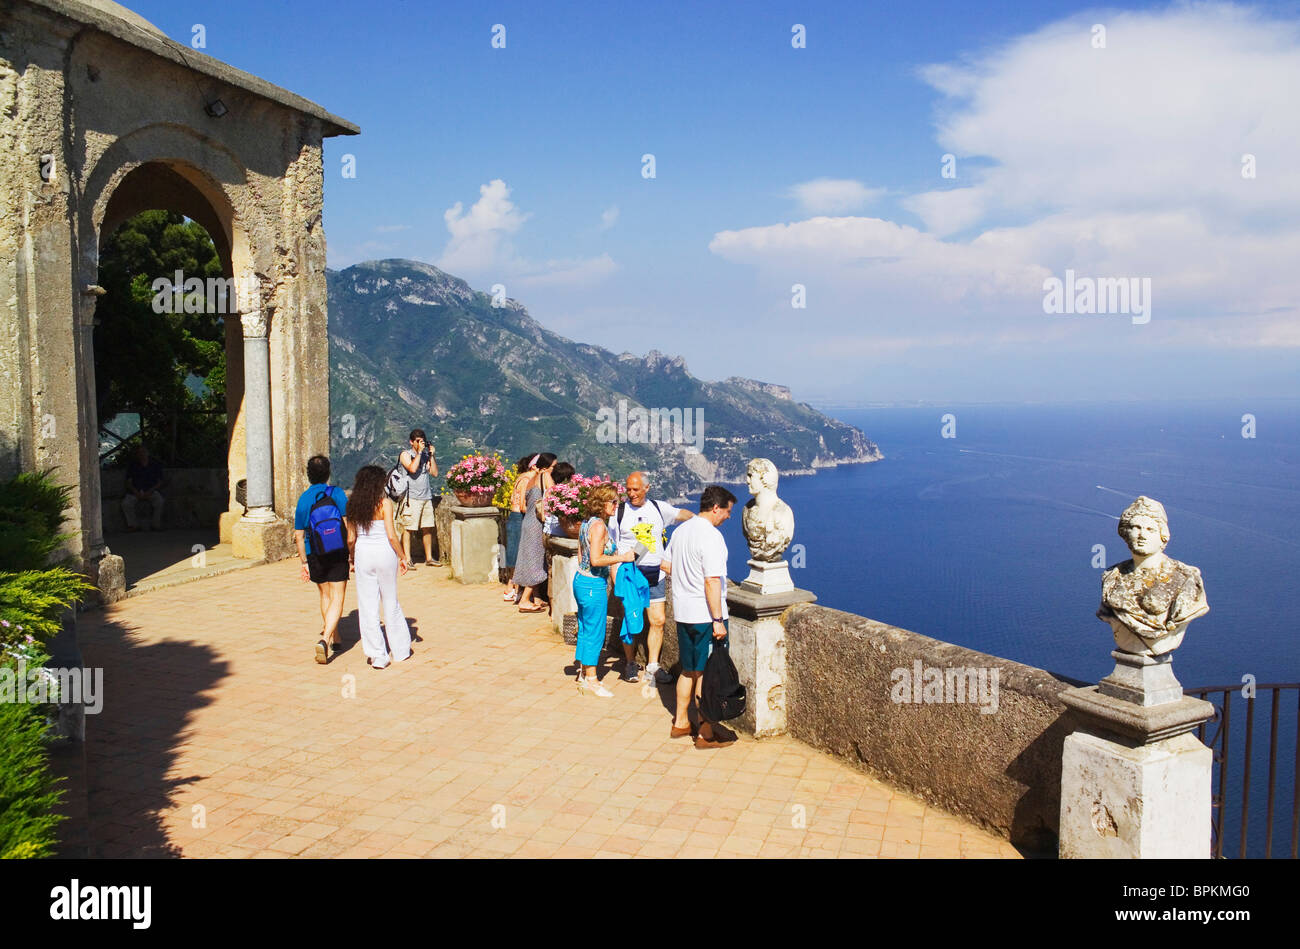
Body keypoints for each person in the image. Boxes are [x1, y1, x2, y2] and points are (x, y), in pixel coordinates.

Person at [662, 485, 738, 749]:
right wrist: (718, 620)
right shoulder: (712, 537)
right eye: (727, 511)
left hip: (683, 613)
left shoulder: (682, 530)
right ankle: (706, 732)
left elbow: (665, 563)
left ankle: (681, 722)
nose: (728, 517)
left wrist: (685, 579)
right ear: (716, 508)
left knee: (688, 669)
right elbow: (711, 581)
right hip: (706, 616)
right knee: (708, 673)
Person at [612, 471, 694, 684]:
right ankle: (630, 663)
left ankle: (653, 667)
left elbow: (680, 514)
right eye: (628, 489)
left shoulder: (659, 508)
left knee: (658, 621)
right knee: (630, 621)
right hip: (630, 575)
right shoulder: (619, 512)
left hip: (655, 574)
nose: (631, 494)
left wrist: (700, 521)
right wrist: (615, 576)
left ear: (647, 488)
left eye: (636, 489)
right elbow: (612, 547)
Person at [345, 465, 413, 670]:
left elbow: (350, 538)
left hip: (364, 554)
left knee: (367, 606)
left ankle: (378, 655)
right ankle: (400, 649)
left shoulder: (352, 506)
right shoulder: (385, 503)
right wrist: (403, 557)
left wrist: (352, 558)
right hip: (385, 553)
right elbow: (392, 535)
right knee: (390, 601)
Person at [573, 482, 636, 697]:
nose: (617, 505)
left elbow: (580, 554)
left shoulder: (586, 523)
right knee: (595, 632)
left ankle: (583, 673)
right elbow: (596, 559)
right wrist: (623, 557)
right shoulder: (599, 526)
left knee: (584, 628)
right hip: (593, 585)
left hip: (581, 581)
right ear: (603, 503)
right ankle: (592, 679)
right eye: (614, 502)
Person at [293, 455, 349, 664]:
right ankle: (326, 639)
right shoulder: (338, 493)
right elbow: (347, 525)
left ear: (308, 474)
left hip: (314, 551)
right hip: (337, 549)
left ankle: (335, 635)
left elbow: (299, 535)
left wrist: (304, 562)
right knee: (338, 596)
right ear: (328, 473)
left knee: (325, 594)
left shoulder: (304, 499)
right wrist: (351, 553)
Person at [513, 452, 556, 612]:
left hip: (527, 522)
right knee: (536, 563)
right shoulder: (545, 476)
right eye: (553, 467)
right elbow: (554, 496)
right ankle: (525, 600)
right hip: (537, 525)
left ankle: (535, 597)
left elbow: (523, 504)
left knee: (529, 559)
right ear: (546, 467)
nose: (554, 470)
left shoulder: (530, 479)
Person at [399, 429, 438, 567]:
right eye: (417, 441)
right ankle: (407, 559)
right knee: (408, 528)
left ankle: (429, 558)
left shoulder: (426, 456)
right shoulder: (405, 454)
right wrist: (420, 453)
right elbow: (412, 469)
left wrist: (431, 455)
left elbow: (434, 473)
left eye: (422, 441)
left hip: (426, 497)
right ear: (411, 442)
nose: (420, 443)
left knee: (427, 528)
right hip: (412, 497)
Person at [503, 455, 537, 602]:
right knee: (517, 553)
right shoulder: (527, 479)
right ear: (534, 466)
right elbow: (523, 504)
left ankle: (511, 587)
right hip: (519, 518)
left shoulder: (521, 477)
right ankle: (513, 588)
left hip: (513, 516)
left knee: (513, 552)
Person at [121, 444, 165, 531]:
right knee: (126, 503)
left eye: (143, 452)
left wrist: (150, 491)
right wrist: (136, 492)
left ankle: (155, 524)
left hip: (151, 491)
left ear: (148, 453)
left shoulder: (155, 465)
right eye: (139, 452)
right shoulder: (133, 466)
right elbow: (128, 482)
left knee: (159, 501)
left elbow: (160, 482)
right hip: (135, 491)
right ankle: (133, 525)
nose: (142, 454)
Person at [538, 461, 576, 536]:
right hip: (561, 533)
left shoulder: (548, 491)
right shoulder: (567, 493)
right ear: (567, 478)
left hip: (547, 531)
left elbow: (543, 516)